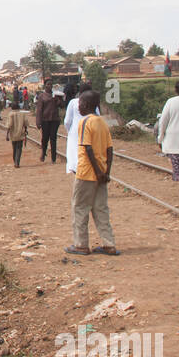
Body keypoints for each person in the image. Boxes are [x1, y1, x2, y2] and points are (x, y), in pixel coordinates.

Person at [64, 89, 117, 256]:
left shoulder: (84, 123)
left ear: (85, 105)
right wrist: (105, 172)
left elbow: (87, 149)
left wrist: (96, 171)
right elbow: (109, 150)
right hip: (101, 172)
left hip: (86, 173)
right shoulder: (102, 122)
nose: (78, 107)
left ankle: (80, 244)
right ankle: (109, 244)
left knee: (80, 207)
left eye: (79, 104)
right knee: (101, 209)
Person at [62, 80, 89, 175]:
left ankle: (73, 168)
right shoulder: (93, 103)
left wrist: (70, 131)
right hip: (89, 130)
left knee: (73, 150)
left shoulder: (73, 102)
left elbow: (67, 121)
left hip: (75, 131)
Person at [35, 84, 64, 163]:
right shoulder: (42, 96)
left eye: (51, 84)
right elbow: (39, 110)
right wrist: (38, 121)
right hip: (45, 120)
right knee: (45, 138)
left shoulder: (57, 94)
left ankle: (53, 158)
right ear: (45, 86)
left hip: (55, 120)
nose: (50, 86)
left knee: (53, 139)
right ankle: (43, 153)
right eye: (48, 84)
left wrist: (58, 100)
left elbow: (62, 105)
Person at [5, 97, 32, 167]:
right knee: (19, 148)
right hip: (20, 133)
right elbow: (26, 123)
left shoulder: (11, 114)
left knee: (14, 148)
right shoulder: (22, 114)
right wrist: (26, 130)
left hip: (13, 134)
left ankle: (15, 161)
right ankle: (17, 162)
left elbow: (9, 125)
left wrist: (7, 135)